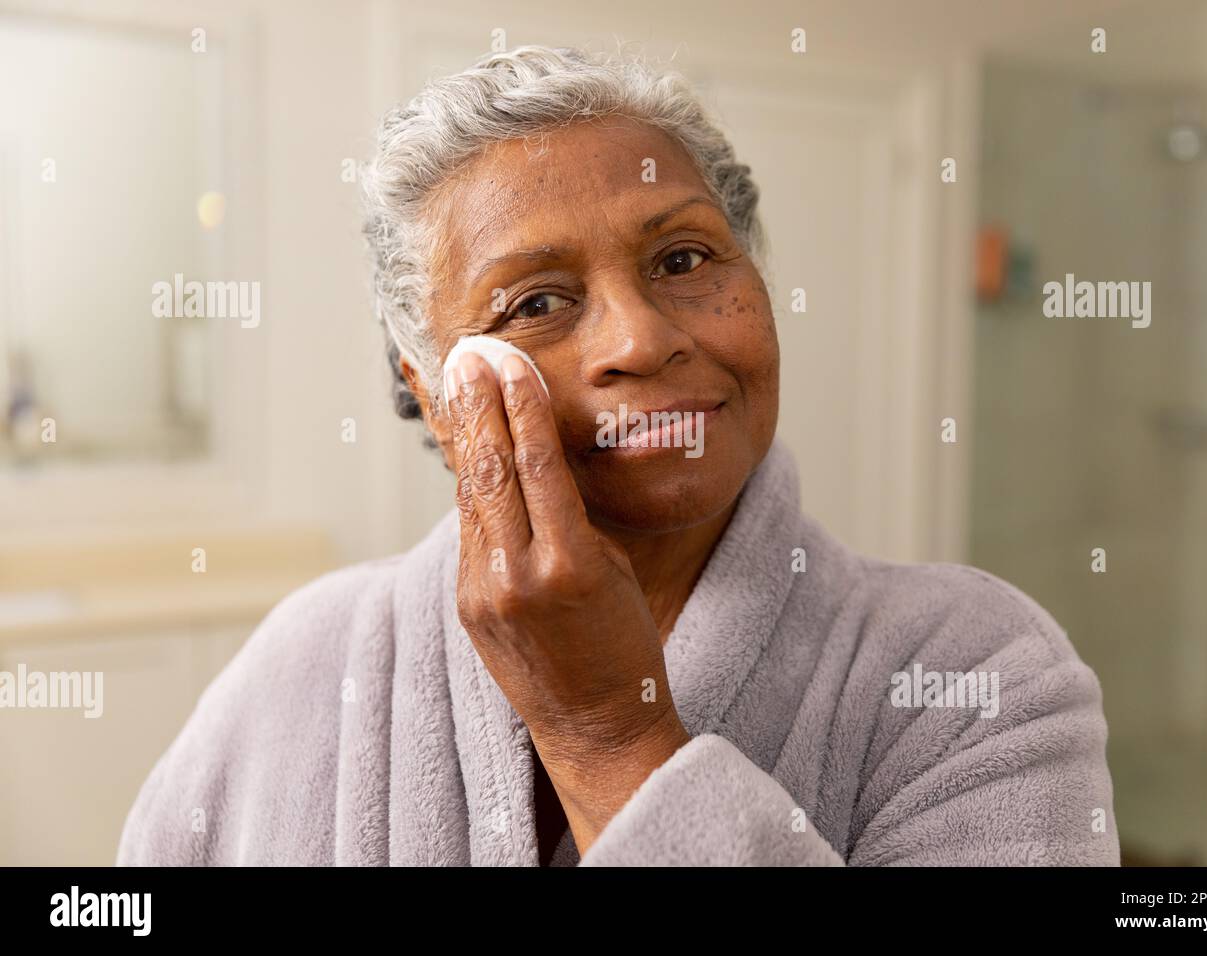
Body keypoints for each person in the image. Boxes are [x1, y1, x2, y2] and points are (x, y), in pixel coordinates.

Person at [116, 45, 1119, 866]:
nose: (640, 340)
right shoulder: (311, 657)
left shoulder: (975, 672)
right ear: (426, 387)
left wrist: (605, 730)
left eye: (684, 260)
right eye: (537, 303)